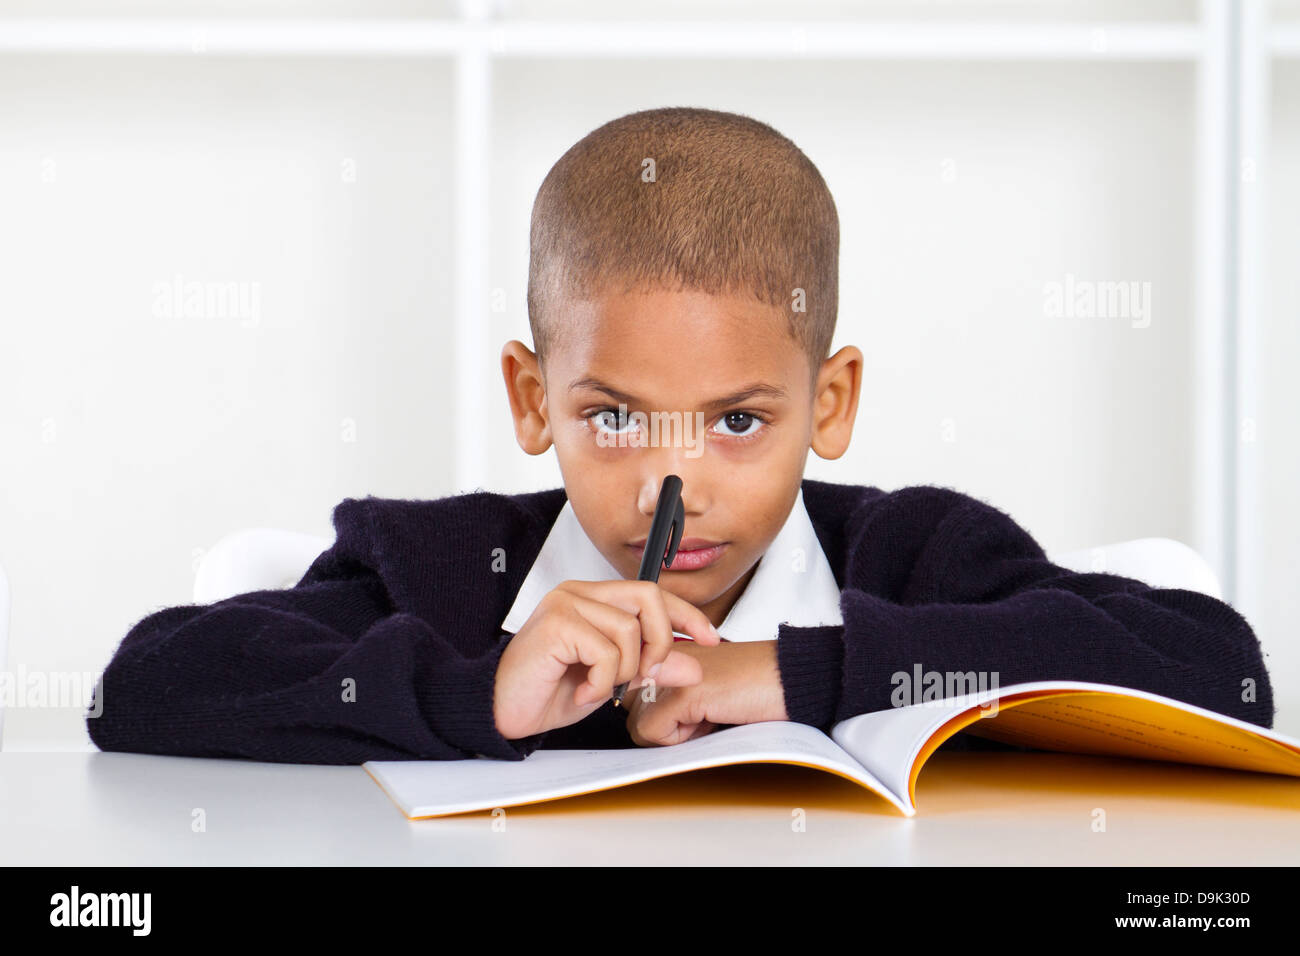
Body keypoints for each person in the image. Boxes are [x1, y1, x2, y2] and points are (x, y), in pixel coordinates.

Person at [86, 107, 1274, 764]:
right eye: (611, 415)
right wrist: (474, 693)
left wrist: (792, 671)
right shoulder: (439, 570)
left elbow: (1218, 666)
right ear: (528, 397)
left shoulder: (913, 555)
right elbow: (139, 688)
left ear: (831, 402)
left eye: (739, 420)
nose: (674, 486)